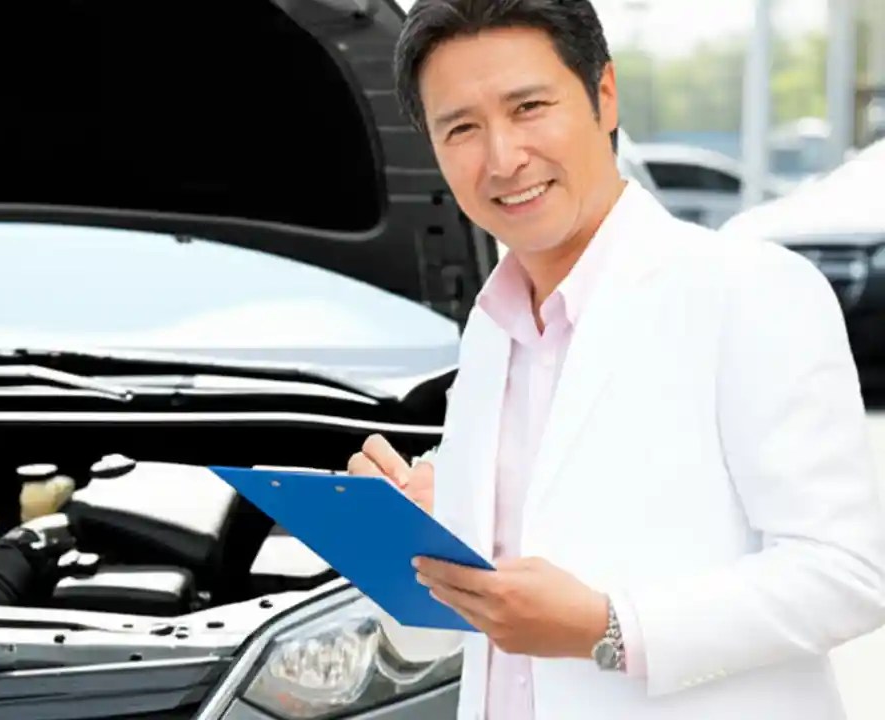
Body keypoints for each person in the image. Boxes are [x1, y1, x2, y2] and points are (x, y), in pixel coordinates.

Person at [345, 1, 885, 718]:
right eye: (462, 128)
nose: (503, 158)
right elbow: (466, 631)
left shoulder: (749, 291)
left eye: (529, 107)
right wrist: (418, 543)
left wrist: (609, 627)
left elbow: (848, 574)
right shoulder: (489, 329)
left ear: (604, 95)